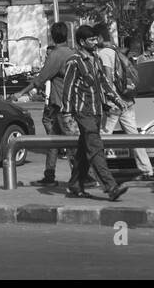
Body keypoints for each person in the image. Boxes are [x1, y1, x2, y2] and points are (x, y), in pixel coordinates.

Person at [59, 25, 128, 201]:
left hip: (97, 112)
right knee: (96, 149)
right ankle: (110, 187)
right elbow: (67, 88)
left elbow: (103, 81)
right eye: (91, 40)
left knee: (84, 151)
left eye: (95, 39)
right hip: (83, 113)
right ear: (82, 42)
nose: (95, 42)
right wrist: (66, 113)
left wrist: (117, 99)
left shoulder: (95, 59)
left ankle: (75, 185)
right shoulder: (74, 62)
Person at [14, 22, 77, 187]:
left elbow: (40, 79)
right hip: (62, 105)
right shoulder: (72, 53)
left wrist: (21, 92)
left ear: (52, 36)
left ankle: (85, 177)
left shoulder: (56, 55)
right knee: (53, 143)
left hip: (64, 106)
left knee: (72, 145)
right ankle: (49, 175)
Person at [103, 34, 154, 182]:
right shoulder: (128, 57)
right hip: (128, 101)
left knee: (102, 137)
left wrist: (110, 99)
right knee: (134, 137)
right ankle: (147, 171)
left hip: (115, 104)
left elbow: (107, 79)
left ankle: (94, 172)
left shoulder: (108, 54)